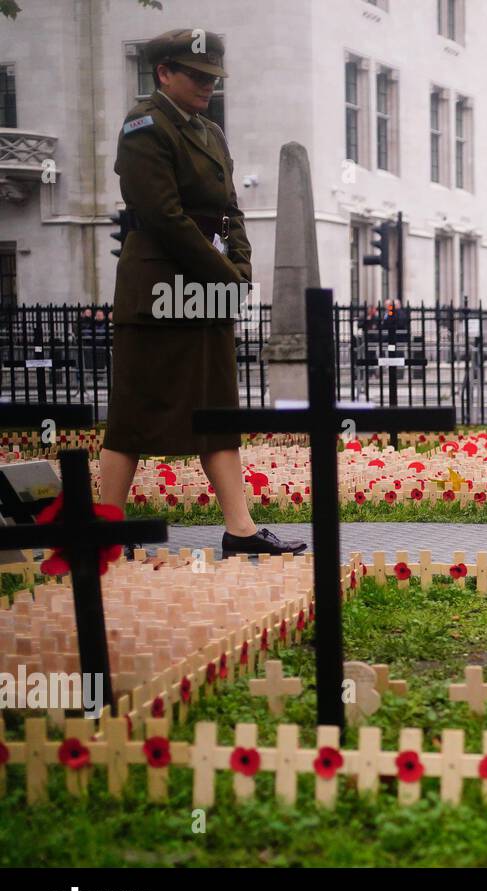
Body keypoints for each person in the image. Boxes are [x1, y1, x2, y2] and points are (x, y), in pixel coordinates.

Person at [100, 29, 304, 559]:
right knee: (133, 412)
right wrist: (224, 274)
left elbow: (230, 211)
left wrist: (238, 265)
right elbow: (164, 218)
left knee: (218, 408)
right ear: (164, 73)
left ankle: (239, 529)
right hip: (158, 290)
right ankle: (106, 529)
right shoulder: (144, 126)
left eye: (213, 78)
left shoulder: (211, 132)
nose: (207, 86)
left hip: (205, 291)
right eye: (197, 76)